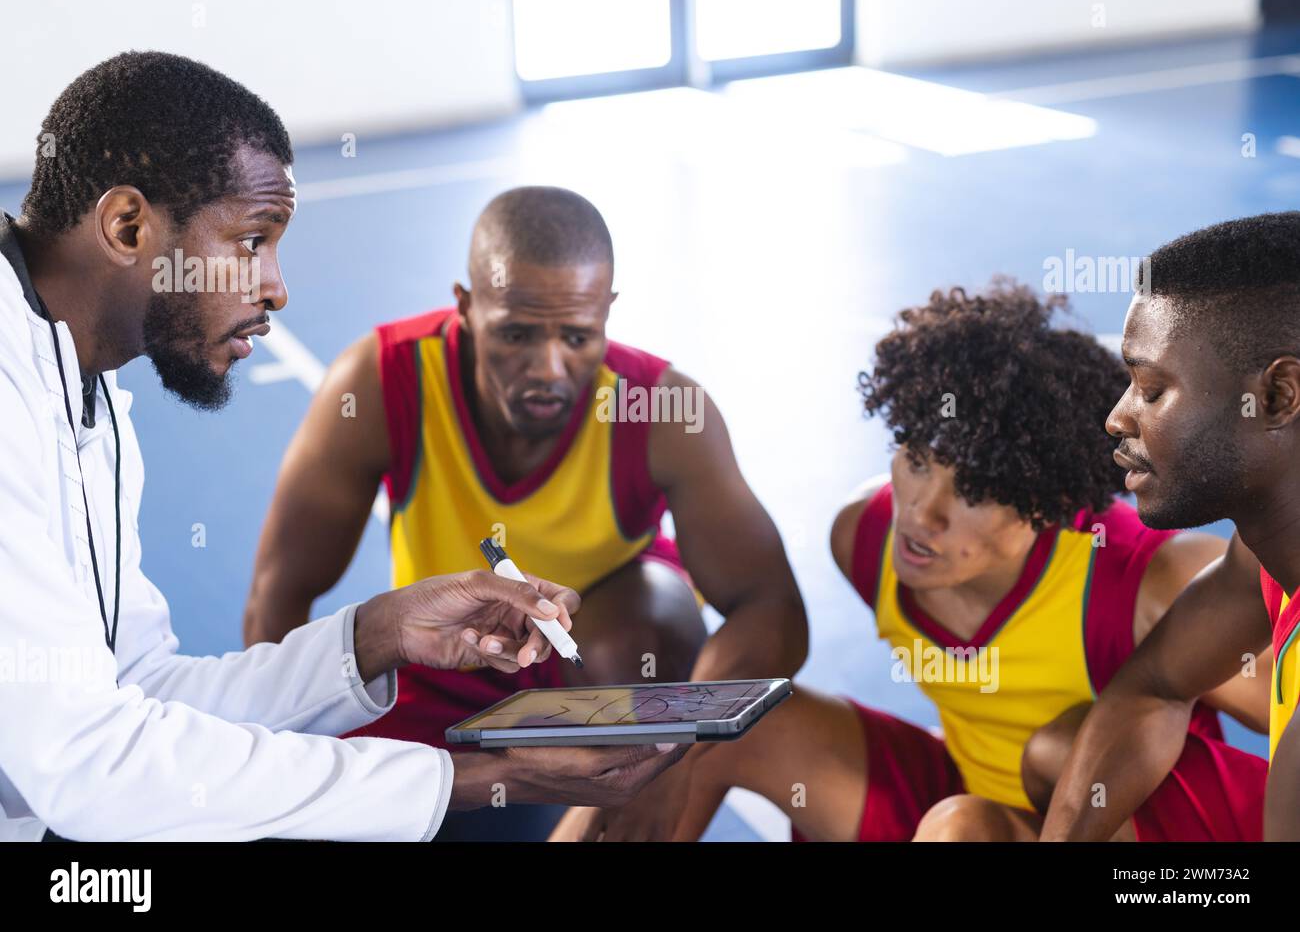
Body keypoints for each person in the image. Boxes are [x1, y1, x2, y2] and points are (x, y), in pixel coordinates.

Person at [0, 51, 683, 842]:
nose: (277, 287)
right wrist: (469, 776)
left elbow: (142, 690)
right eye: (252, 240)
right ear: (128, 226)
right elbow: (94, 768)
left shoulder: (83, 386)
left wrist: (378, 634)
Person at [244, 185, 808, 840]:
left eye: (577, 336)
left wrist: (679, 747)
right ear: (465, 307)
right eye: (516, 334)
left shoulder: (660, 410)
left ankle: (617, 798)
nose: (549, 369)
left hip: (592, 685)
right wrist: (276, 776)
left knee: (655, 615)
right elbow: (277, 597)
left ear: (608, 311)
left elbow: (773, 607)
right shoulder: (380, 381)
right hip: (443, 661)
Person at [634, 284, 1270, 842]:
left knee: (1018, 779)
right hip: (966, 805)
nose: (920, 514)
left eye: (973, 492)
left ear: (1046, 506)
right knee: (734, 720)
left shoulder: (1156, 581)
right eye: (917, 461)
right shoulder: (867, 536)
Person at [1041, 212, 1300, 841]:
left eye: (1152, 390)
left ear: (1277, 396)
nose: (1116, 418)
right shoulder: (1267, 553)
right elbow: (1154, 684)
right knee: (1059, 752)